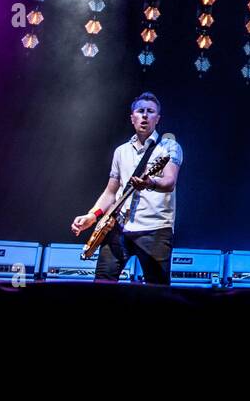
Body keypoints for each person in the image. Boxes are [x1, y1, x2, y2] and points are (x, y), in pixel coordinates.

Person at [71, 92, 183, 285]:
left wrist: (150, 183)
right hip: (118, 226)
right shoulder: (121, 151)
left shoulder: (169, 147)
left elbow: (170, 182)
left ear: (158, 118)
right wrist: (92, 215)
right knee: (102, 283)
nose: (145, 115)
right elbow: (111, 192)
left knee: (157, 290)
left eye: (150, 111)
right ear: (132, 118)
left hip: (154, 229)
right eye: (140, 111)